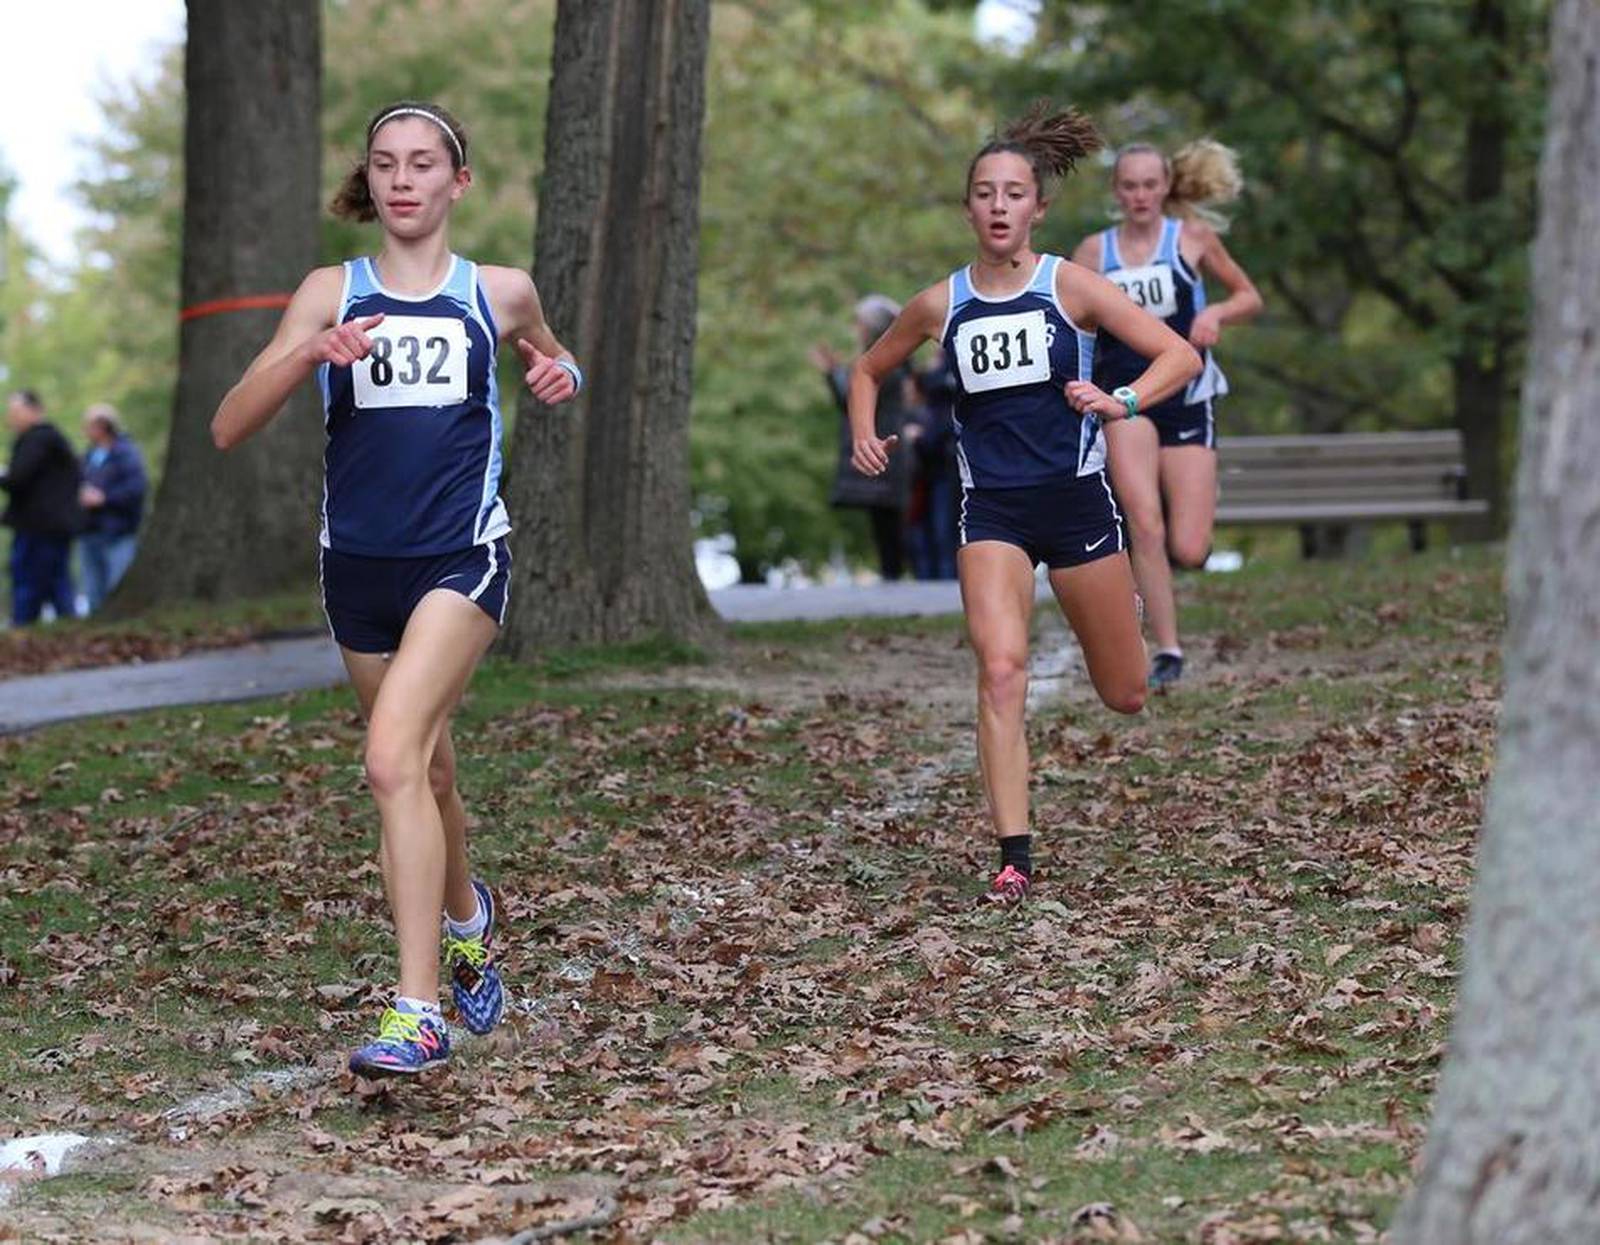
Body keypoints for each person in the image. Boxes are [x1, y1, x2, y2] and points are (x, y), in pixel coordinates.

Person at [210, 100, 580, 1077]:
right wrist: (304, 353)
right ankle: (468, 919)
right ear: (368, 182)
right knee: (429, 774)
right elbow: (227, 425)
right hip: (359, 574)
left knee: (388, 763)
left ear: (457, 182)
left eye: (423, 164)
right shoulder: (330, 291)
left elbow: (555, 355)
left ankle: (417, 1009)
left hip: (461, 558)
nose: (403, 179)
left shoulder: (496, 291)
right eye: (385, 164)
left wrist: (560, 377)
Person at [849, 103, 1201, 903]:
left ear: (1038, 207)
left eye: (1014, 193)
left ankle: (1134, 616)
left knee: (1127, 692)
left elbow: (1176, 354)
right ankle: (1014, 856)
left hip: (1078, 508)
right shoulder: (941, 304)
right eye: (984, 192)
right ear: (968, 206)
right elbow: (869, 369)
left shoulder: (1071, 286)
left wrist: (1125, 401)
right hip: (993, 514)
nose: (999, 205)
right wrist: (865, 434)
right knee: (1001, 671)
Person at [1072, 140, 1263, 689]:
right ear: (1116, 191)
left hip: (1187, 392)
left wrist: (1218, 314)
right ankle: (1168, 649)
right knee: (1144, 523)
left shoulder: (1193, 239)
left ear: (1165, 187)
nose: (1139, 195)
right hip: (1125, 395)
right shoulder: (1093, 253)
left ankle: (1162, 579)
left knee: (1189, 546)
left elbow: (1249, 295)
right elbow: (1073, 317)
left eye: (1149, 185)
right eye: (1129, 185)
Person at [812, 295, 910, 581]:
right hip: (884, 444)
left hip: (887, 445)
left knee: (889, 522)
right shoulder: (888, 361)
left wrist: (832, 373)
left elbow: (850, 400)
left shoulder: (886, 364)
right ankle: (891, 575)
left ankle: (894, 576)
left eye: (860, 324)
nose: (856, 330)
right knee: (882, 521)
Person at [2, 390, 82, 625]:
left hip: (41, 527)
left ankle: (25, 628)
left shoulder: (39, 439)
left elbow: (18, 478)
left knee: (33, 581)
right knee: (55, 580)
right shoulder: (48, 440)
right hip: (48, 524)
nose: (12, 418)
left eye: (16, 412)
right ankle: (65, 626)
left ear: (34, 410)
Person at [78, 403, 148, 613]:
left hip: (117, 532)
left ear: (103, 426)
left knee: (116, 584)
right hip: (90, 530)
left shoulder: (126, 454)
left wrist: (105, 498)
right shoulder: (89, 456)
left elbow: (136, 488)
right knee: (93, 589)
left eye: (89, 425)